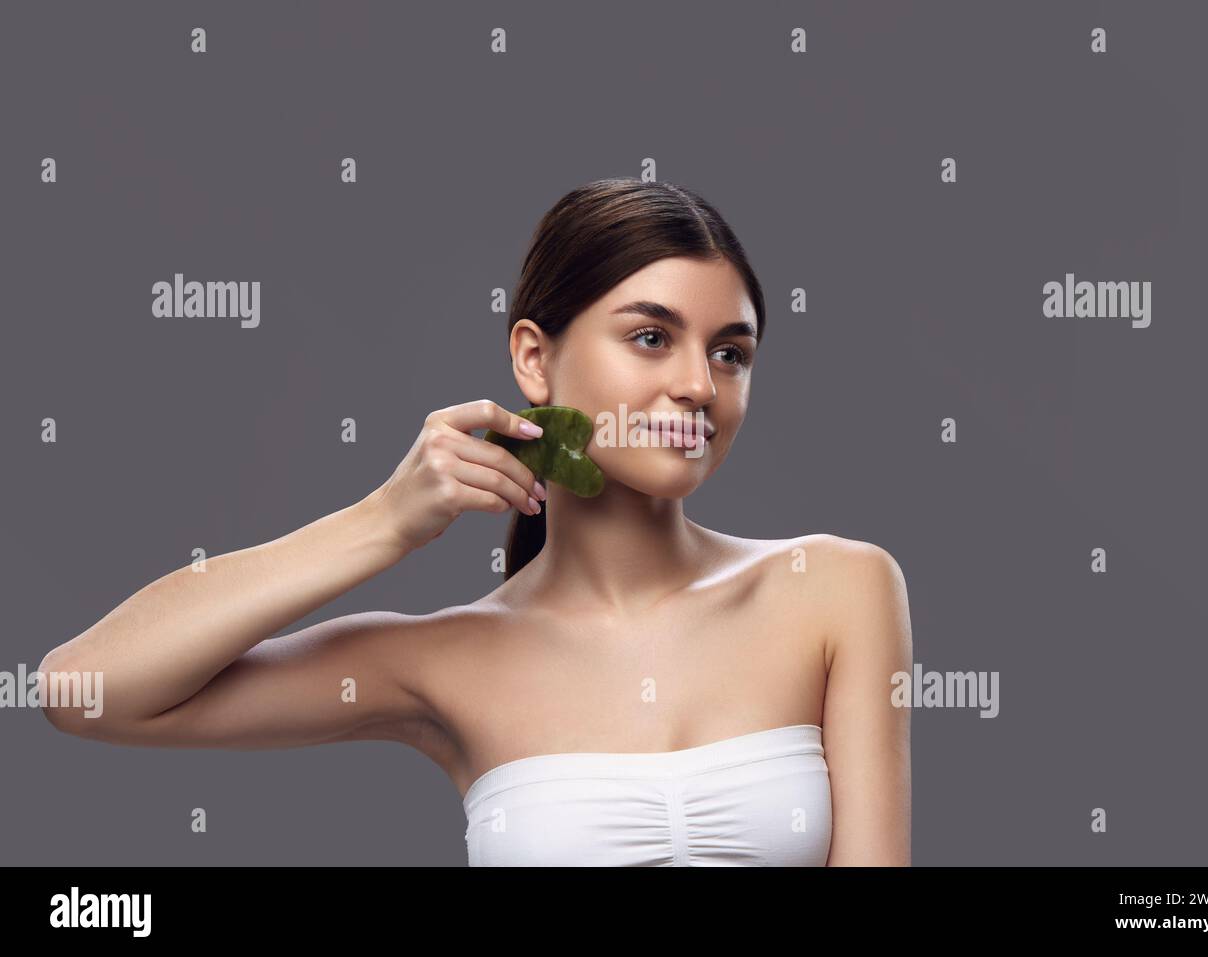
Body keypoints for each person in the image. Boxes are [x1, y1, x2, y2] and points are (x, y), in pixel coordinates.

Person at [39, 177, 913, 866]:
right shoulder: (445, 659)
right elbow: (83, 689)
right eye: (652, 337)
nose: (698, 384)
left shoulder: (835, 589)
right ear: (535, 357)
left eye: (731, 352)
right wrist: (384, 522)